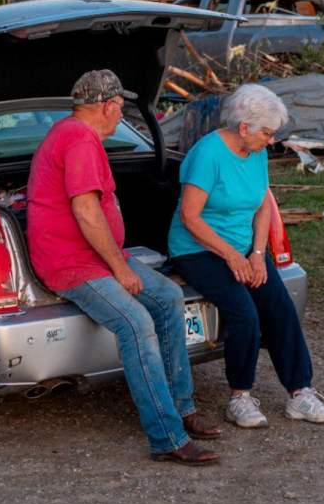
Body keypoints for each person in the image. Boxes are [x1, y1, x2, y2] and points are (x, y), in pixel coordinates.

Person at [27, 69, 224, 465]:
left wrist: (117, 261)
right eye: (120, 108)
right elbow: (85, 210)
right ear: (106, 106)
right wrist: (120, 267)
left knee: (168, 295)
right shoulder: (80, 140)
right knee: (135, 322)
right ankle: (166, 437)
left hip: (93, 255)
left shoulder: (70, 131)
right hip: (73, 263)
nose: (122, 116)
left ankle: (183, 410)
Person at [166, 83, 324, 428]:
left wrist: (258, 254)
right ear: (244, 128)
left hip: (243, 248)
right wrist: (232, 256)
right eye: (268, 133)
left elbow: (262, 207)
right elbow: (190, 217)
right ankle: (239, 398)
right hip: (199, 248)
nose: (271, 141)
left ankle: (300, 392)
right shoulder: (208, 154)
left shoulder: (256, 151)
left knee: (279, 305)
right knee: (243, 313)